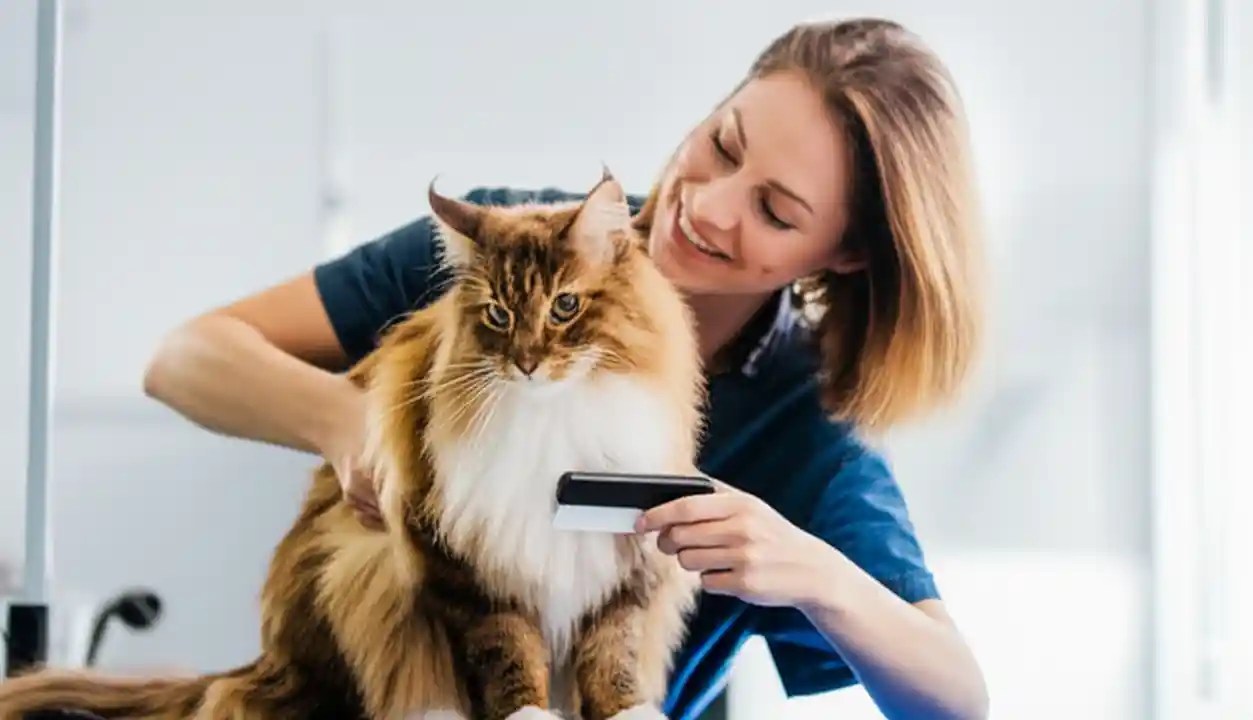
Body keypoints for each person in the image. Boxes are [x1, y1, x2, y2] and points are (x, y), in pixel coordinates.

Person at [142, 17, 988, 720]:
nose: (708, 205)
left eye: (773, 210)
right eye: (723, 143)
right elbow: (184, 360)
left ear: (842, 254)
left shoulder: (802, 422)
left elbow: (956, 698)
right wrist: (355, 429)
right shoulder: (509, 246)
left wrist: (814, 573)